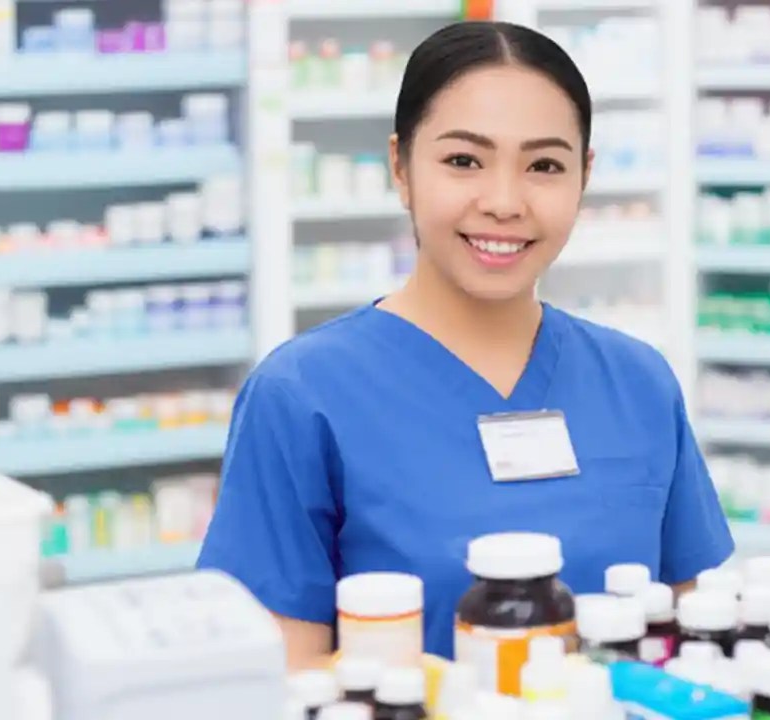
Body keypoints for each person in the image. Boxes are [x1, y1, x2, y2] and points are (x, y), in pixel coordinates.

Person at [197, 20, 734, 669]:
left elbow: (692, 647)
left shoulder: (638, 383)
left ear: (583, 176)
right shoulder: (301, 396)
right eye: (463, 161)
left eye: (544, 165)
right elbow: (282, 681)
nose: (504, 202)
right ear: (400, 166)